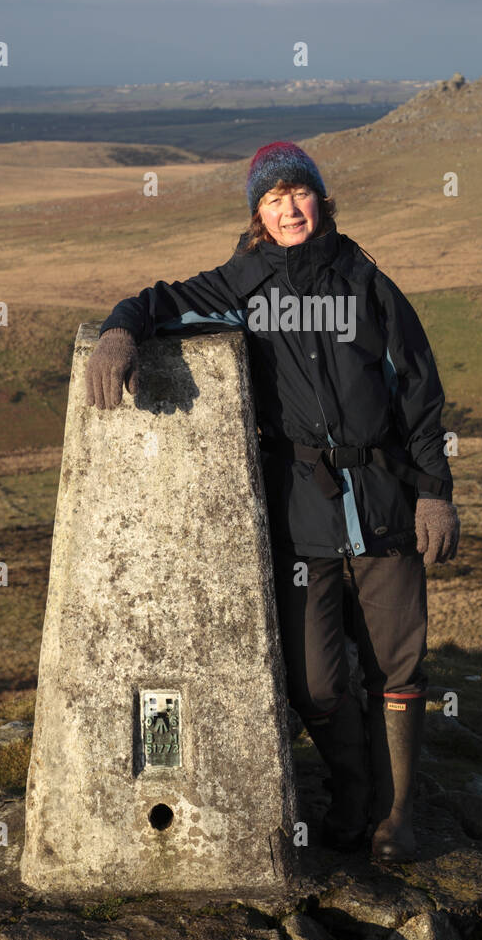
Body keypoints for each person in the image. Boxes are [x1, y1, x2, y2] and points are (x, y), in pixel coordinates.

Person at [85, 141, 460, 861]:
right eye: (273, 199)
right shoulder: (244, 281)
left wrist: (435, 495)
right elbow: (157, 302)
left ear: (321, 200)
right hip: (304, 514)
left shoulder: (366, 280)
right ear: (257, 214)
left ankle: (395, 820)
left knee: (397, 668)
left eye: (300, 194)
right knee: (315, 680)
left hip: (385, 505)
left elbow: (419, 392)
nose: (289, 209)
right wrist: (118, 333)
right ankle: (353, 798)